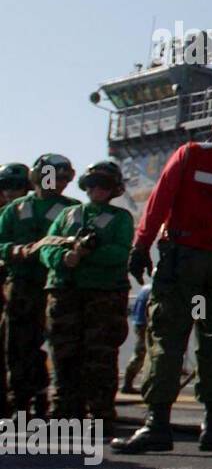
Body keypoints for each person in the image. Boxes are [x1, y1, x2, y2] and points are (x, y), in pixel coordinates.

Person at [113, 112, 212, 452]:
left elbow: (159, 201)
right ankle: (211, 428)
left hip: (184, 260)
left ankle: (157, 425)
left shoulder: (192, 153)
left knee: (168, 338)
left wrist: (141, 246)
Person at [40, 161, 133, 424]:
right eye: (92, 184)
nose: (97, 190)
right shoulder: (67, 215)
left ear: (113, 189)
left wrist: (87, 255)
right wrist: (64, 258)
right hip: (65, 292)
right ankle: (65, 410)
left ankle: (100, 411)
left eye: (104, 185)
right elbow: (46, 246)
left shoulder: (120, 218)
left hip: (103, 296)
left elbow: (119, 252)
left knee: (100, 355)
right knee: (63, 354)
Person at [0, 155, 79, 418]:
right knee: (18, 345)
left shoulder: (73, 209)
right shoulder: (15, 210)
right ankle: (20, 402)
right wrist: (16, 251)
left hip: (57, 286)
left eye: (62, 179)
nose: (56, 183)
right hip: (21, 285)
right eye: (52, 176)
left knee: (62, 346)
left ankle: (55, 401)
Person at [0, 162, 32, 414]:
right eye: (5, 186)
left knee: (18, 347)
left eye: (15, 186)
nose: (9, 191)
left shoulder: (31, 213)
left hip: (18, 288)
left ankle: (20, 402)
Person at [122, 281, 152, 394]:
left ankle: (129, 383)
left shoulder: (146, 288)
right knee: (141, 354)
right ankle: (128, 384)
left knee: (141, 353)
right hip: (146, 324)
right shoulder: (153, 290)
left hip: (140, 322)